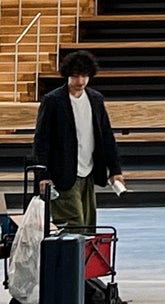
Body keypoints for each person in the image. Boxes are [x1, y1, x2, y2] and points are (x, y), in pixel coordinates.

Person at [33, 50, 123, 229]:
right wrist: (43, 176)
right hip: (62, 173)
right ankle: (72, 258)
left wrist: (115, 170)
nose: (80, 81)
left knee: (88, 225)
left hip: (89, 172)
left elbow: (106, 136)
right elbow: (42, 140)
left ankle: (85, 258)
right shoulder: (53, 100)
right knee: (73, 226)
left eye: (84, 76)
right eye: (75, 76)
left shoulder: (96, 99)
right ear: (67, 76)